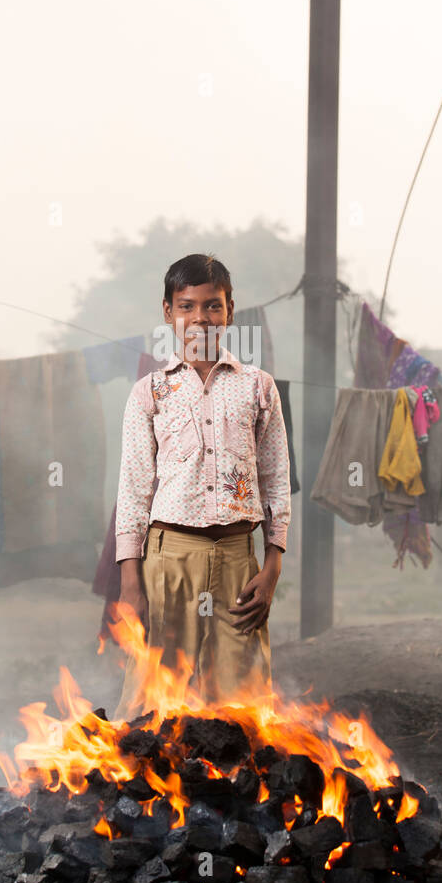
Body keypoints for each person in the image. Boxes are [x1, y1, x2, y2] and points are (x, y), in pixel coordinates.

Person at [114, 253, 291, 714]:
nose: (200, 318)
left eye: (212, 306)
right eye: (187, 306)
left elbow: (275, 482)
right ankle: (150, 786)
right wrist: (131, 581)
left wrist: (271, 567)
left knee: (243, 705)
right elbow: (133, 490)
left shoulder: (259, 387)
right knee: (156, 703)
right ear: (168, 312)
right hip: (169, 559)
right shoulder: (150, 392)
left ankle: (236, 785)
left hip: (238, 561)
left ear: (230, 310)